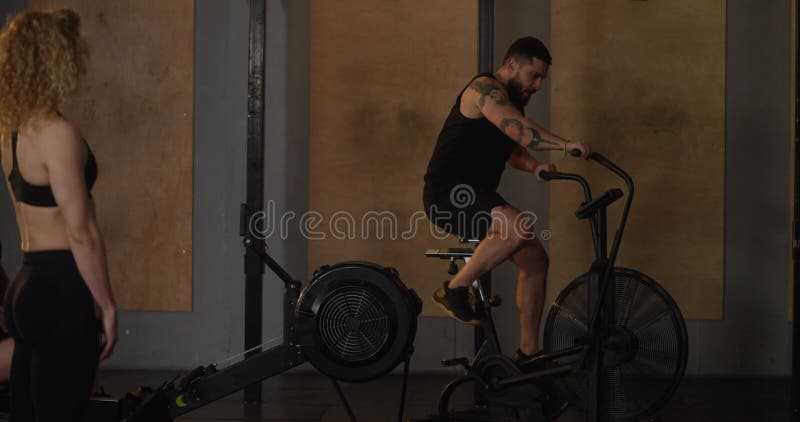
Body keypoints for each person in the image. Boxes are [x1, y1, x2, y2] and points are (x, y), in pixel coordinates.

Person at [423, 36, 589, 362]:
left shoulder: (508, 102)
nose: (538, 86)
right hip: (448, 195)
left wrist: (534, 166)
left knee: (535, 260)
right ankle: (455, 289)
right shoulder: (483, 89)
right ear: (512, 65)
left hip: (478, 196)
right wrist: (566, 144)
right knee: (519, 228)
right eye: (534, 76)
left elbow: (512, 149)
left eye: (542, 79)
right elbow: (521, 133)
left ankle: (529, 355)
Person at [0, 9, 117, 420]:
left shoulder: (12, 134)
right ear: (55, 61)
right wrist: (106, 305)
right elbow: (81, 230)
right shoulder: (57, 134)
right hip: (61, 290)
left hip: (27, 286)